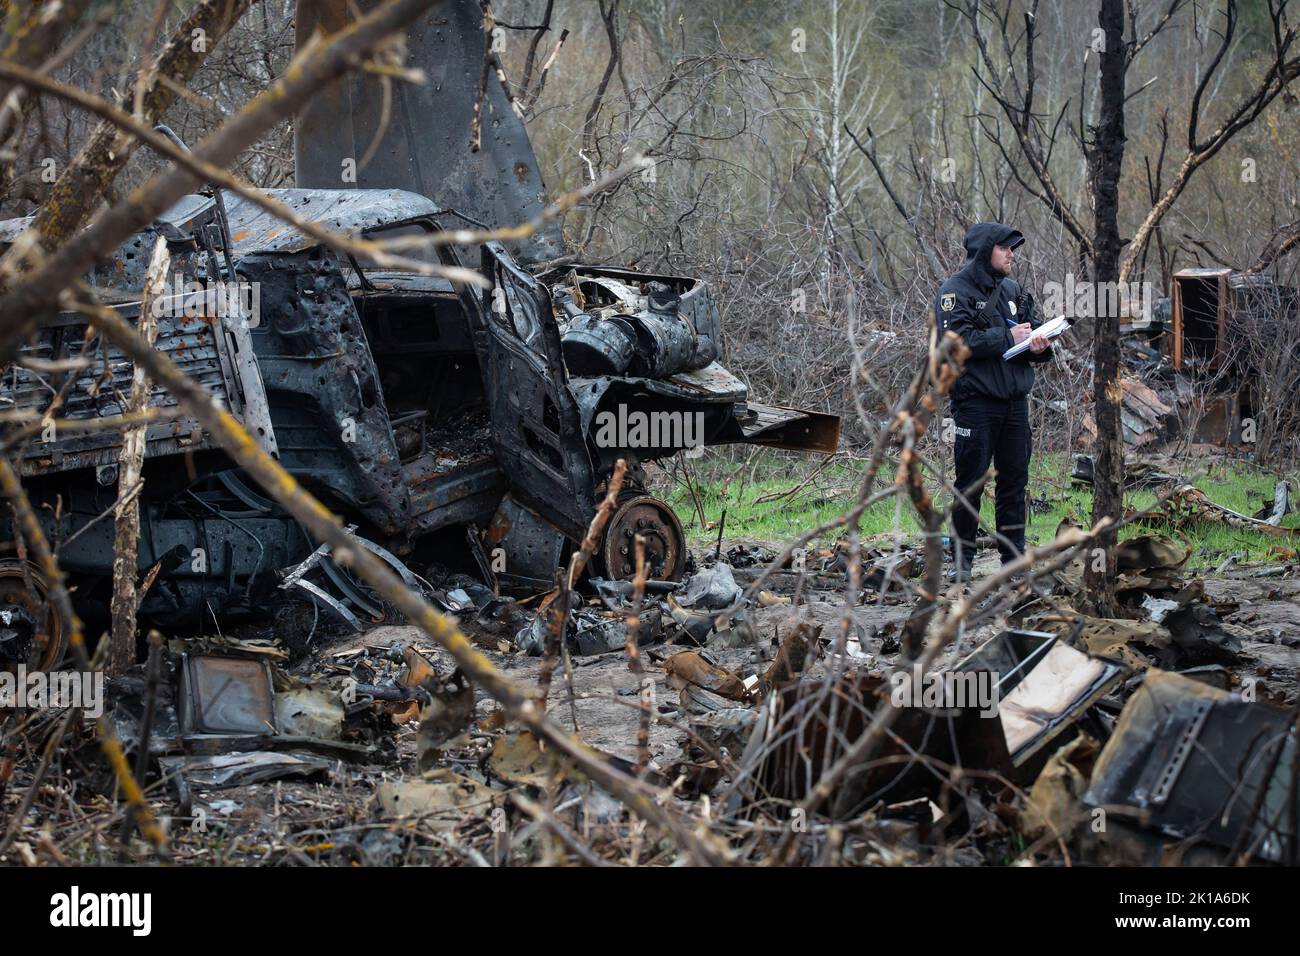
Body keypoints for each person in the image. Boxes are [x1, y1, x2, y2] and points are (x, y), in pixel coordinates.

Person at [934, 222, 1052, 582]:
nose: (1011, 254)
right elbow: (956, 344)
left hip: (1015, 403)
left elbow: (1031, 334)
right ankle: (961, 561)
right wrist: (1006, 335)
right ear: (986, 251)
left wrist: (1040, 345)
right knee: (971, 483)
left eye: (1013, 249)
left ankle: (1014, 560)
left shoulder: (1014, 290)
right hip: (975, 403)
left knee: (1015, 482)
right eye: (1005, 248)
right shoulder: (954, 292)